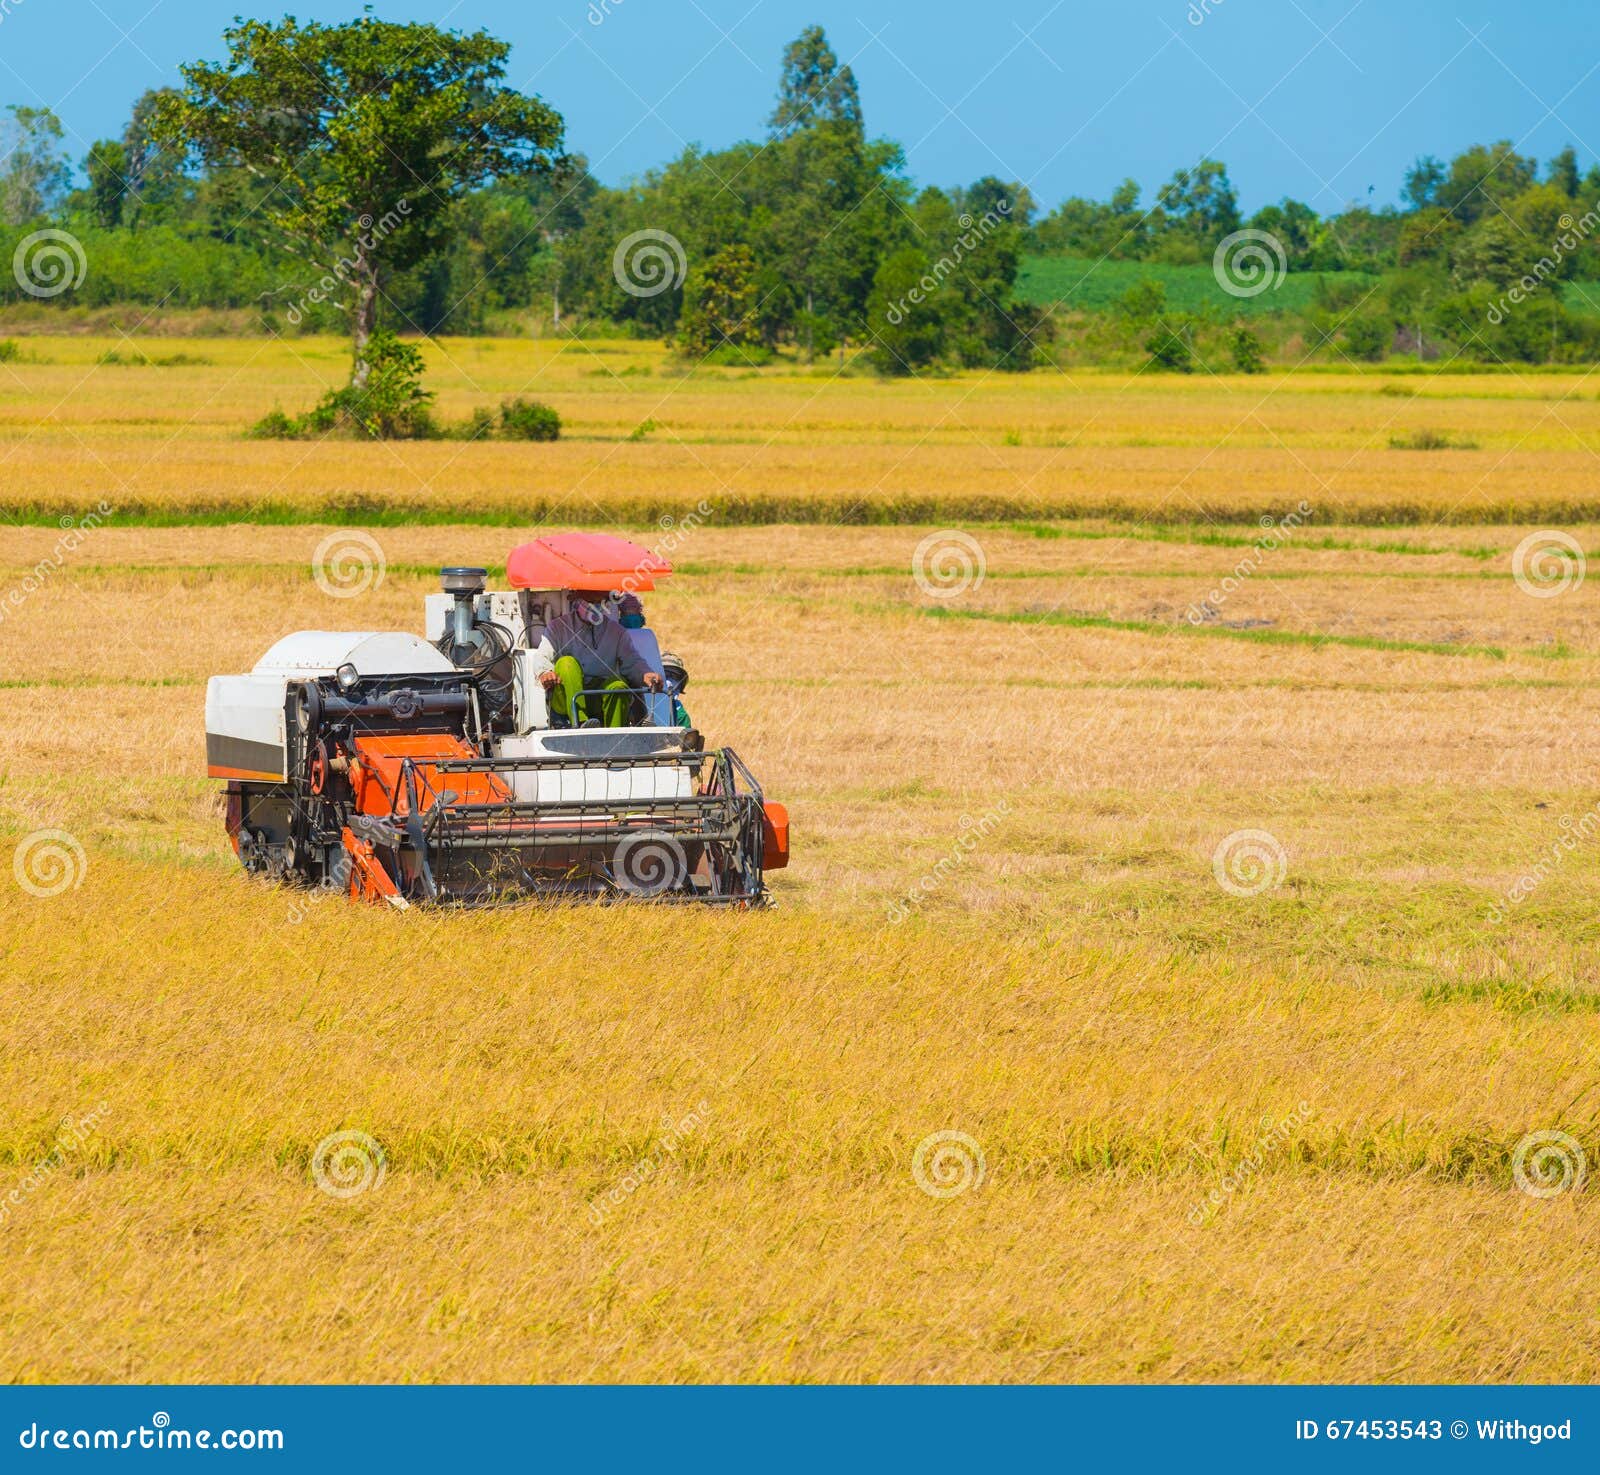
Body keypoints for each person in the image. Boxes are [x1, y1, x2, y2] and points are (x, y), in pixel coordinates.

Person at [537, 591, 663, 727]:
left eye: (599, 600)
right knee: (567, 663)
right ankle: (580, 723)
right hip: (566, 699)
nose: (594, 605)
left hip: (600, 697)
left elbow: (633, 662)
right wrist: (545, 673)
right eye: (589, 599)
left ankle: (617, 735)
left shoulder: (617, 632)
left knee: (619, 686)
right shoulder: (558, 627)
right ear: (576, 599)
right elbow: (542, 657)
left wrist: (645, 673)